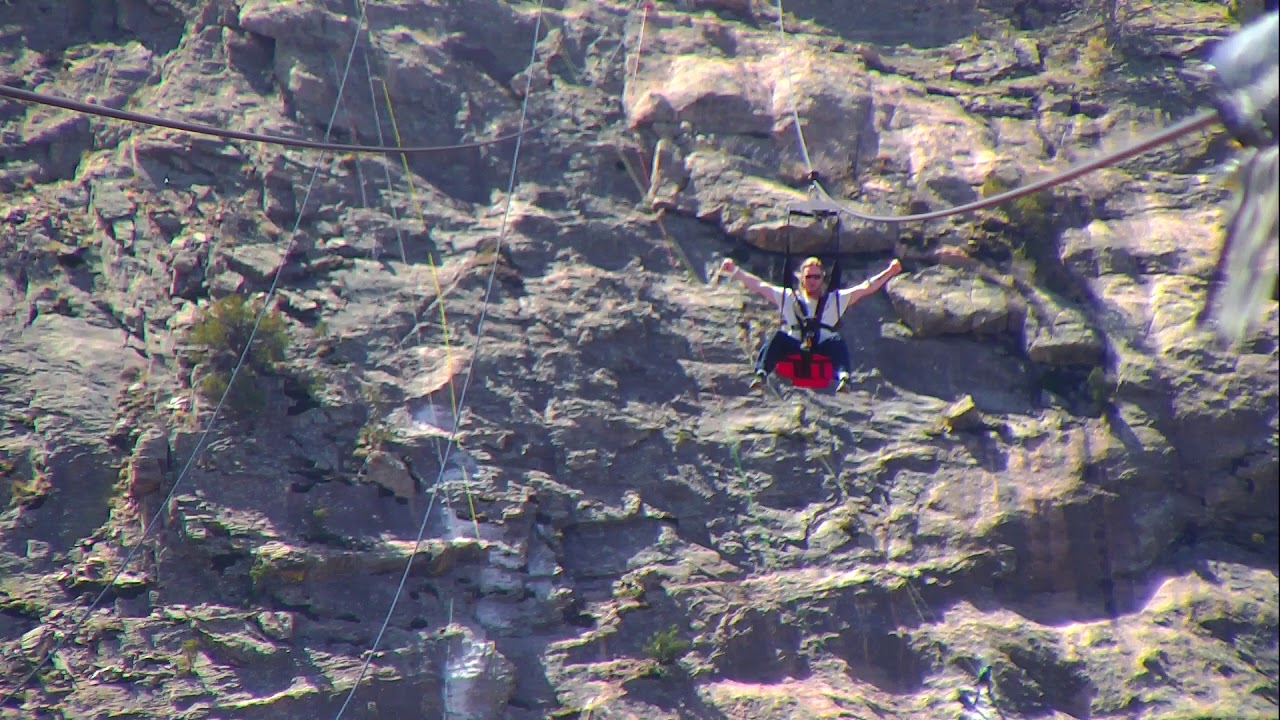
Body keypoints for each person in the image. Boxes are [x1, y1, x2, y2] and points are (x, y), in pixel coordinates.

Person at [719, 255, 903, 391]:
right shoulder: (789, 297)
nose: (813, 281)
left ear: (823, 279)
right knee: (777, 337)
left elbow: (865, 288)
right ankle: (761, 373)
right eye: (808, 277)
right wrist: (735, 271)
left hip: (822, 346)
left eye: (816, 277)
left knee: (836, 340)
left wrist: (890, 272)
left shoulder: (835, 299)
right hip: (795, 345)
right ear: (801, 278)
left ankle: (844, 377)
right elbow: (759, 285)